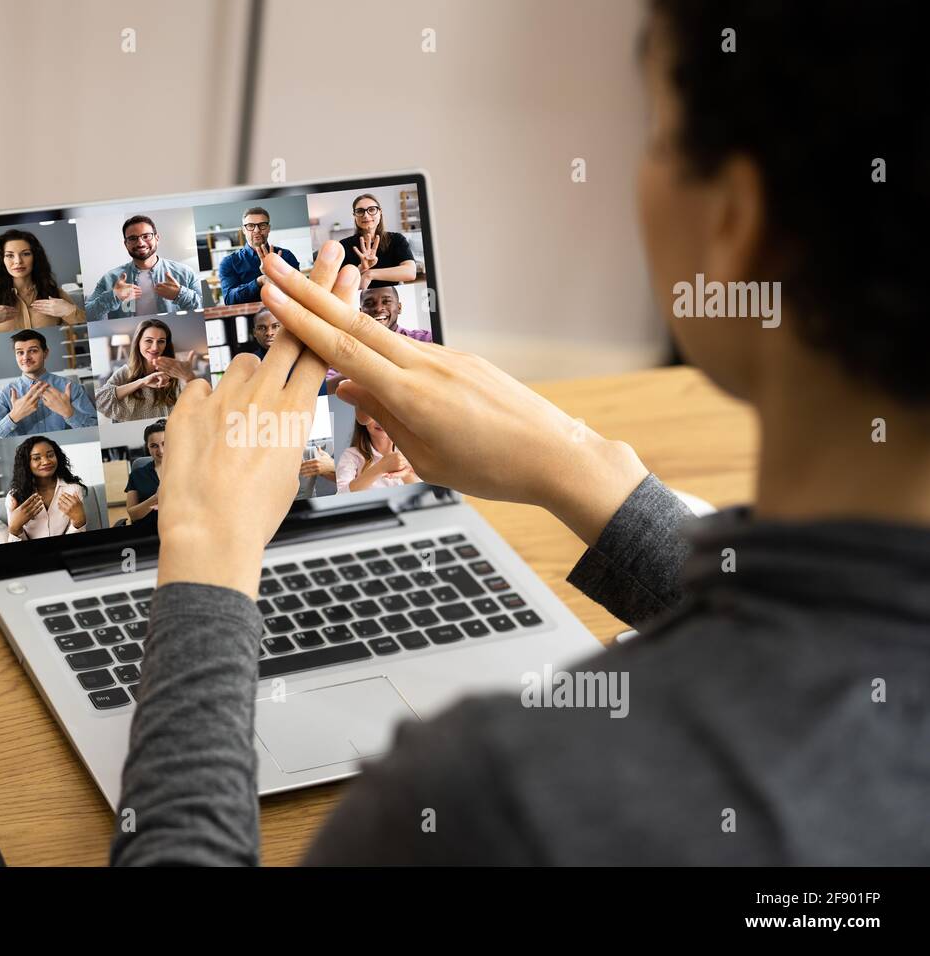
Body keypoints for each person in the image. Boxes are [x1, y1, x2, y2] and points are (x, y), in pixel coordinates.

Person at [110, 0, 930, 866]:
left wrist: (205, 555)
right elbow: (826, 659)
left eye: (656, 132)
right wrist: (582, 466)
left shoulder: (499, 805)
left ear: (735, 220)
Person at [0, 330, 98, 440]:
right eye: (20, 352)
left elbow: (95, 430)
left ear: (45, 353)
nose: (26, 358)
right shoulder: (4, 395)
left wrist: (70, 413)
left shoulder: (71, 388)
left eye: (33, 351)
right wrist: (13, 417)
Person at [85, 215, 202, 320]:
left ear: (157, 238)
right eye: (132, 238)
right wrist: (114, 296)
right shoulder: (110, 278)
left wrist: (180, 294)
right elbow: (87, 315)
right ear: (126, 244)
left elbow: (204, 309)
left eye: (146, 236)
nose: (140, 243)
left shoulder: (185, 273)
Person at [0, 229, 81, 335]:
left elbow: (85, 333)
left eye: (25, 254)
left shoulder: (56, 294)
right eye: (10, 255)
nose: (18, 261)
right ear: (2, 260)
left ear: (35, 257)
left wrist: (69, 311)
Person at [327, 286, 430, 391]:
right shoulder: (343, 346)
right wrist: (364, 369)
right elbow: (325, 386)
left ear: (399, 308)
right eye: (369, 304)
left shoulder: (424, 338)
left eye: (386, 302)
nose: (378, 308)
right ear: (361, 311)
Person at [94, 319, 198, 423]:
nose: (155, 347)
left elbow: (196, 402)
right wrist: (142, 382)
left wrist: (189, 376)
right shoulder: (125, 372)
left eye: (161, 341)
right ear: (138, 342)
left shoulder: (174, 371)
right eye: (149, 340)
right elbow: (99, 401)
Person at [1, 437, 89, 541]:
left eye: (50, 455)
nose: (46, 461)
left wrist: (79, 521)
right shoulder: (14, 497)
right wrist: (14, 529)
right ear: (26, 463)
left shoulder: (73, 490)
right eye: (37, 458)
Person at [217, 207, 301, 305]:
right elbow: (230, 300)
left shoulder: (286, 256)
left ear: (268, 228)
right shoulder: (229, 262)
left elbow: (299, 292)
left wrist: (277, 276)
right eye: (250, 226)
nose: (257, 230)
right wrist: (259, 281)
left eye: (262, 225)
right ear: (244, 230)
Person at [339, 193, 417, 289]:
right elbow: (340, 283)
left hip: (390, 297)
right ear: (354, 215)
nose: (366, 215)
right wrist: (361, 269)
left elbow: (410, 272)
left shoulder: (397, 239)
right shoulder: (343, 245)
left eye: (371, 209)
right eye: (360, 211)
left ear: (380, 212)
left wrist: (370, 274)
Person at [335, 414, 420, 493]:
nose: (380, 421)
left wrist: (405, 472)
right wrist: (381, 467)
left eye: (387, 414)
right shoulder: (351, 456)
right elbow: (341, 494)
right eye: (373, 414)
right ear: (362, 418)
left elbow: (425, 495)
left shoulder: (412, 453)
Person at [124, 419, 166, 527]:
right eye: (154, 446)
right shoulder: (137, 475)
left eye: (164, 444)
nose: (160, 451)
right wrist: (155, 498)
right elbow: (133, 514)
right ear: (147, 447)